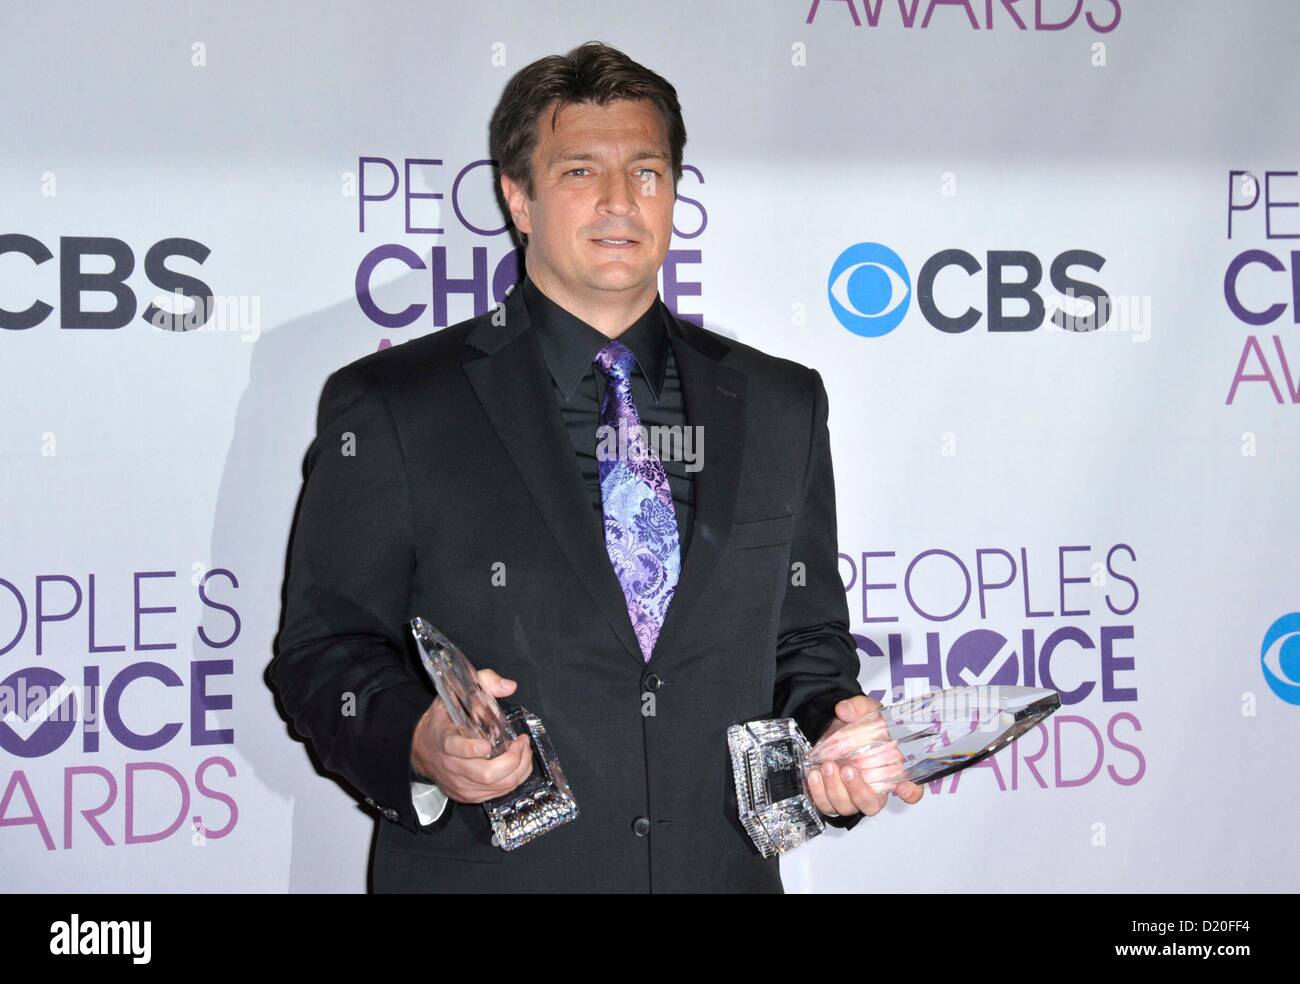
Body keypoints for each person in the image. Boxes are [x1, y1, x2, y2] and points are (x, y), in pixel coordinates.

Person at [270, 40, 921, 894]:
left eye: (647, 172)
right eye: (580, 171)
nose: (620, 201)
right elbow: (326, 653)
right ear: (519, 198)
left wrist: (831, 737)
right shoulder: (395, 405)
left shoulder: (779, 403)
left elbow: (804, 641)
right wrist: (424, 744)